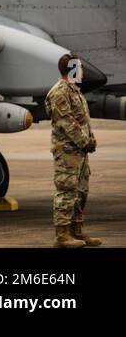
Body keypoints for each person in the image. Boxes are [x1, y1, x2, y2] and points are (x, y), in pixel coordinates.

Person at [44, 52, 100, 248]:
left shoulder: (74, 91)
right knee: (66, 192)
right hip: (67, 153)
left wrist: (89, 139)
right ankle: (62, 236)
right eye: (80, 68)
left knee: (81, 192)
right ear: (73, 69)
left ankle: (76, 231)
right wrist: (86, 142)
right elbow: (67, 123)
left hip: (80, 152)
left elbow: (82, 121)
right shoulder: (59, 92)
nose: (83, 71)